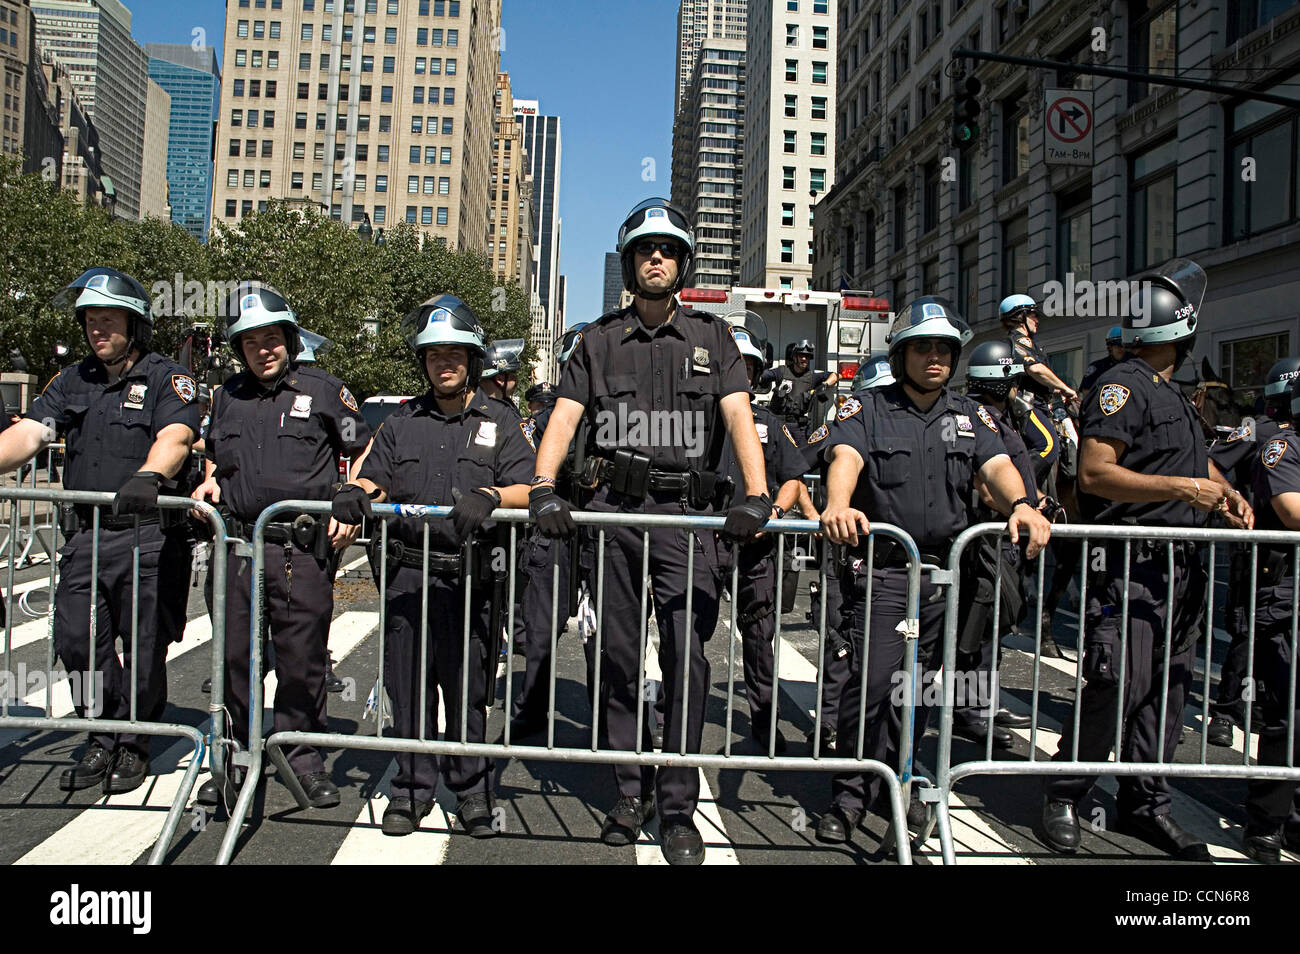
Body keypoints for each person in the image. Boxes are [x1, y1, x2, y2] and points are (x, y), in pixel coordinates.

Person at [527, 197, 771, 865]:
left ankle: (677, 806)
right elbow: (564, 418)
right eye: (644, 251)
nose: (655, 259)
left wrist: (757, 493)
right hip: (613, 518)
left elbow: (739, 416)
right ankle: (628, 789)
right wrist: (545, 486)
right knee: (615, 655)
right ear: (631, 264)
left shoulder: (714, 339)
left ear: (682, 264)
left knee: (688, 661)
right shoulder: (598, 342)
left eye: (666, 250)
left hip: (687, 521)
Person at [814, 296, 1051, 844]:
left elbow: (997, 467)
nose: (936, 357)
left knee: (917, 691)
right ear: (901, 356)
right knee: (871, 687)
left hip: (944, 577)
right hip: (886, 575)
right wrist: (840, 503)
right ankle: (850, 794)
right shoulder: (867, 409)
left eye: (944, 348)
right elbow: (843, 458)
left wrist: (1020, 505)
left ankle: (903, 782)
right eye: (923, 347)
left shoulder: (970, 415)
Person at [1040, 258, 1253, 860]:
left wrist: (1223, 490)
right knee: (1117, 684)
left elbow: (1189, 462)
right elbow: (1096, 472)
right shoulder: (1120, 386)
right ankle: (1064, 793)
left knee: (1167, 693)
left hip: (1179, 568)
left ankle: (1145, 805)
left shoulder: (1171, 393)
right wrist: (1190, 492)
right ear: (1180, 334)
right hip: (1132, 566)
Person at [332, 293, 533, 838]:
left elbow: (528, 487)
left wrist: (492, 494)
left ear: (472, 357)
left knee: (467, 691)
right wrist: (357, 492)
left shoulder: (501, 420)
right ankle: (412, 789)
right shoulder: (402, 421)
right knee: (409, 688)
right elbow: (376, 474)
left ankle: (470, 792)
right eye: (433, 354)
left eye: (454, 353)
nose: (443, 363)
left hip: (471, 578)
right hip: (408, 576)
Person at [0, 267, 199, 794]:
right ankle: (101, 730)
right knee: (76, 637)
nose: (97, 330)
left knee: (144, 643)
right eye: (90, 321)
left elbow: (177, 435)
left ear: (134, 325)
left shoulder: (165, 377)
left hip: (148, 535)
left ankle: (132, 742)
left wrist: (150, 475)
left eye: (108, 321)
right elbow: (30, 434)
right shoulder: (72, 380)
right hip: (87, 536)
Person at [191, 282, 370, 808]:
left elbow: (365, 446)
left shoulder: (324, 389)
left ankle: (302, 757)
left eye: (272, 338)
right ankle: (231, 759)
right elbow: (217, 454)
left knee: (302, 658)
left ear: (288, 340)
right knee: (234, 658)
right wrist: (208, 480)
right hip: (240, 549)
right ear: (239, 350)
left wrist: (351, 492)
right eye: (251, 342)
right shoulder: (226, 396)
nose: (263, 349)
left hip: (300, 551)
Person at [717, 312, 807, 753]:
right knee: (688, 635)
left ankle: (764, 719)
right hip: (705, 544)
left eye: (748, 367)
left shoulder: (773, 424)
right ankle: (679, 718)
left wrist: (772, 511)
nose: (742, 373)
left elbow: (792, 478)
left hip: (757, 547)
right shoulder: (699, 423)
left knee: (759, 638)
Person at [1204, 356, 1300, 747]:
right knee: (1249, 630)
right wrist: (1232, 504)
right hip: (1263, 549)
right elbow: (1210, 464)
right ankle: (1226, 711)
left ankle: (1260, 704)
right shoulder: (1258, 431)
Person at [954, 340, 1045, 749]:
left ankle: (979, 704)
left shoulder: (992, 418)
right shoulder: (982, 419)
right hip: (987, 540)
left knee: (994, 625)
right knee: (980, 629)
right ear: (1004, 383)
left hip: (1000, 538)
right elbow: (983, 485)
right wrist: (1015, 506)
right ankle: (968, 711)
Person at [511, 323, 589, 736]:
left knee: (607, 635)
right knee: (541, 629)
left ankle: (607, 716)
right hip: (552, 532)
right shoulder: (544, 420)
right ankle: (532, 707)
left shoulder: (615, 414)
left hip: (600, 534)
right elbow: (524, 469)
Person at [1240, 374, 1300, 863]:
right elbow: (1291, 508)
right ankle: (1268, 822)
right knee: (1289, 716)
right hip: (1290, 599)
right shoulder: (1283, 449)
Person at [999, 294, 1078, 407]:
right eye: (1033, 316)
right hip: (1029, 406)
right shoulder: (1019, 341)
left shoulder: (1022, 342)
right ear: (1020, 317)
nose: (1037, 321)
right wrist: (1064, 388)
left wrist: (1056, 390)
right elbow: (1035, 369)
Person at [764, 339, 839, 444]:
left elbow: (836, 375)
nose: (804, 359)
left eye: (807, 356)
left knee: (800, 456)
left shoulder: (812, 376)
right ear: (794, 357)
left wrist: (824, 385)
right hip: (777, 423)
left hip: (798, 428)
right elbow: (762, 376)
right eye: (801, 356)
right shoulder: (782, 371)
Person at [480, 338, 525, 415]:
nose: (516, 382)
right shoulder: (477, 409)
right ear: (499, 379)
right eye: (513, 377)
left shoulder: (508, 406)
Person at [1079, 326, 1125, 398]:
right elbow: (1086, 393)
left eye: (1127, 345)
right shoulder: (1098, 367)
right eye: (1120, 345)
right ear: (1110, 348)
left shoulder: (1135, 366)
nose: (1124, 349)